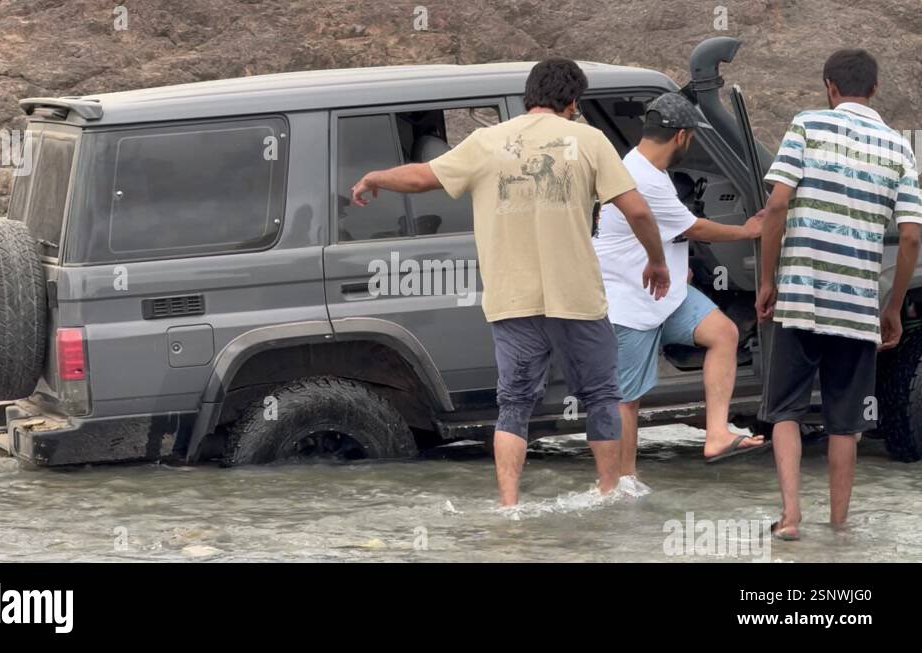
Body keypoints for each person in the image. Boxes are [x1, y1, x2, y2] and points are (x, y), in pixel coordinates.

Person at [351, 58, 671, 506]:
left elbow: (424, 177)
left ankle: (509, 505)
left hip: (513, 299)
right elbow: (637, 211)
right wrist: (657, 261)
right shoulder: (589, 140)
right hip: (576, 298)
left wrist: (375, 177)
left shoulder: (486, 142)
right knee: (601, 396)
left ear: (529, 95)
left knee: (515, 406)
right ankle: (608, 491)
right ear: (573, 102)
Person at [757, 49, 922, 540]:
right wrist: (891, 306)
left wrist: (768, 280)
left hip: (801, 295)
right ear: (874, 89)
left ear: (829, 86)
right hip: (857, 307)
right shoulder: (898, 148)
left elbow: (777, 207)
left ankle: (790, 518)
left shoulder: (806, 126)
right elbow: (912, 235)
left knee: (785, 409)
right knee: (845, 421)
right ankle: (840, 526)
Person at [595, 93, 767, 485]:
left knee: (722, 332)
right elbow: (693, 228)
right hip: (630, 300)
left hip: (664, 293)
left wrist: (678, 266)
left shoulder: (646, 170)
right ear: (684, 136)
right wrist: (748, 229)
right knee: (627, 399)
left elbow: (659, 233)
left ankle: (717, 434)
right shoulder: (640, 178)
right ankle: (623, 482)